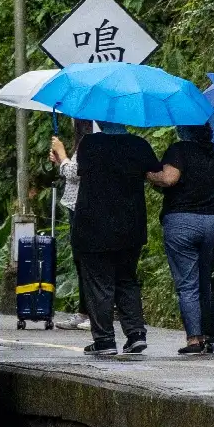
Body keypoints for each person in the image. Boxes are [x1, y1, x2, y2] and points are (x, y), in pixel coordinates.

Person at [71, 120, 163, 357]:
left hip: (93, 226)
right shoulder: (139, 145)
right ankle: (135, 334)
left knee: (99, 283)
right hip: (130, 226)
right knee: (127, 279)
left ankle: (104, 340)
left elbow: (80, 171)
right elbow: (153, 175)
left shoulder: (89, 144)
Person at [154, 124, 214, 353]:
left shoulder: (179, 150)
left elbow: (169, 178)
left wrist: (147, 173)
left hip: (182, 222)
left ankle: (194, 339)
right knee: (204, 280)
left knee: (188, 284)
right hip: (213, 223)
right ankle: (207, 334)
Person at [50, 119, 93, 331]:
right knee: (80, 260)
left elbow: (76, 173)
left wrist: (63, 155)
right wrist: (62, 161)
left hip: (82, 205)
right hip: (74, 204)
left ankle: (90, 312)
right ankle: (84, 311)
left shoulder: (90, 141)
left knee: (85, 258)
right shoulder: (84, 142)